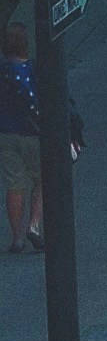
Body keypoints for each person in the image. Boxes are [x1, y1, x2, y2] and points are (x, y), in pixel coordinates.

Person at [4, 17, 42, 259]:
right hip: (34, 133)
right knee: (41, 179)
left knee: (14, 184)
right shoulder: (34, 70)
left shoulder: (2, 69)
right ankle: (34, 225)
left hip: (6, 133)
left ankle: (17, 237)